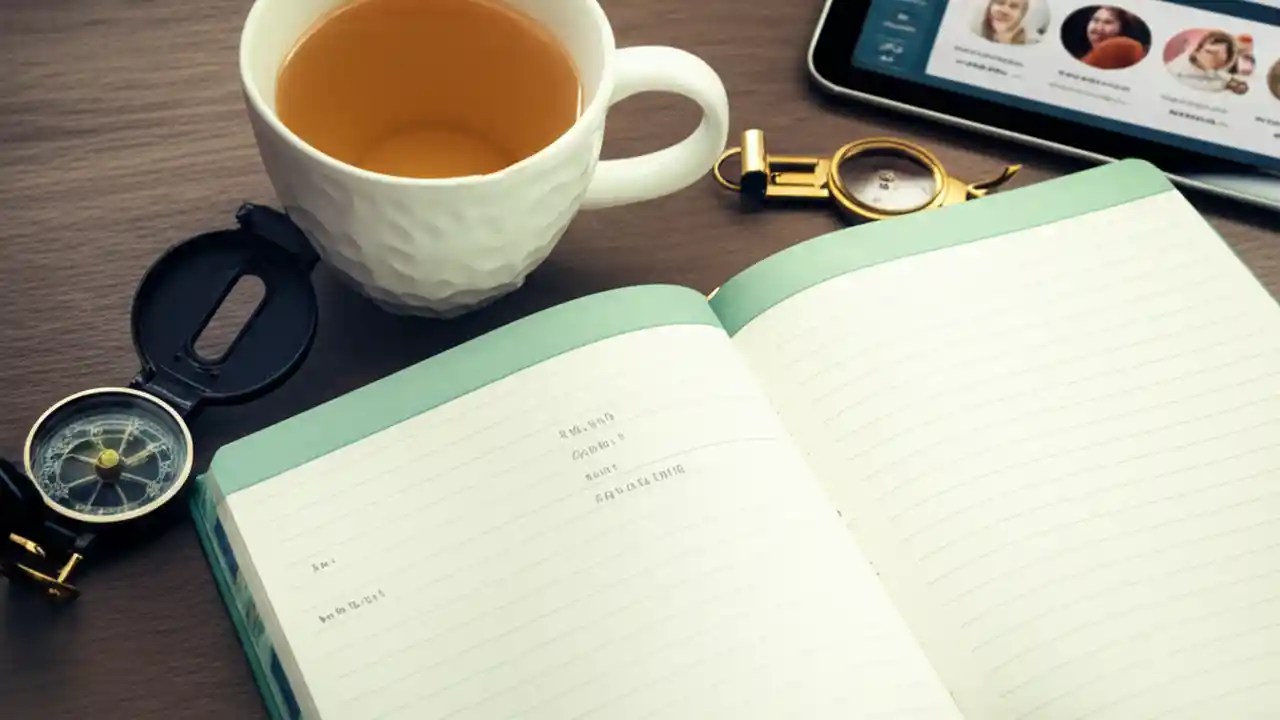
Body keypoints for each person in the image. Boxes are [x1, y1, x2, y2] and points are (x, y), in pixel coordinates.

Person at [1165, 30, 1237, 92]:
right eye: (1210, 52)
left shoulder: (1217, 78)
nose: (1211, 59)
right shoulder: (1178, 67)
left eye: (1220, 59)